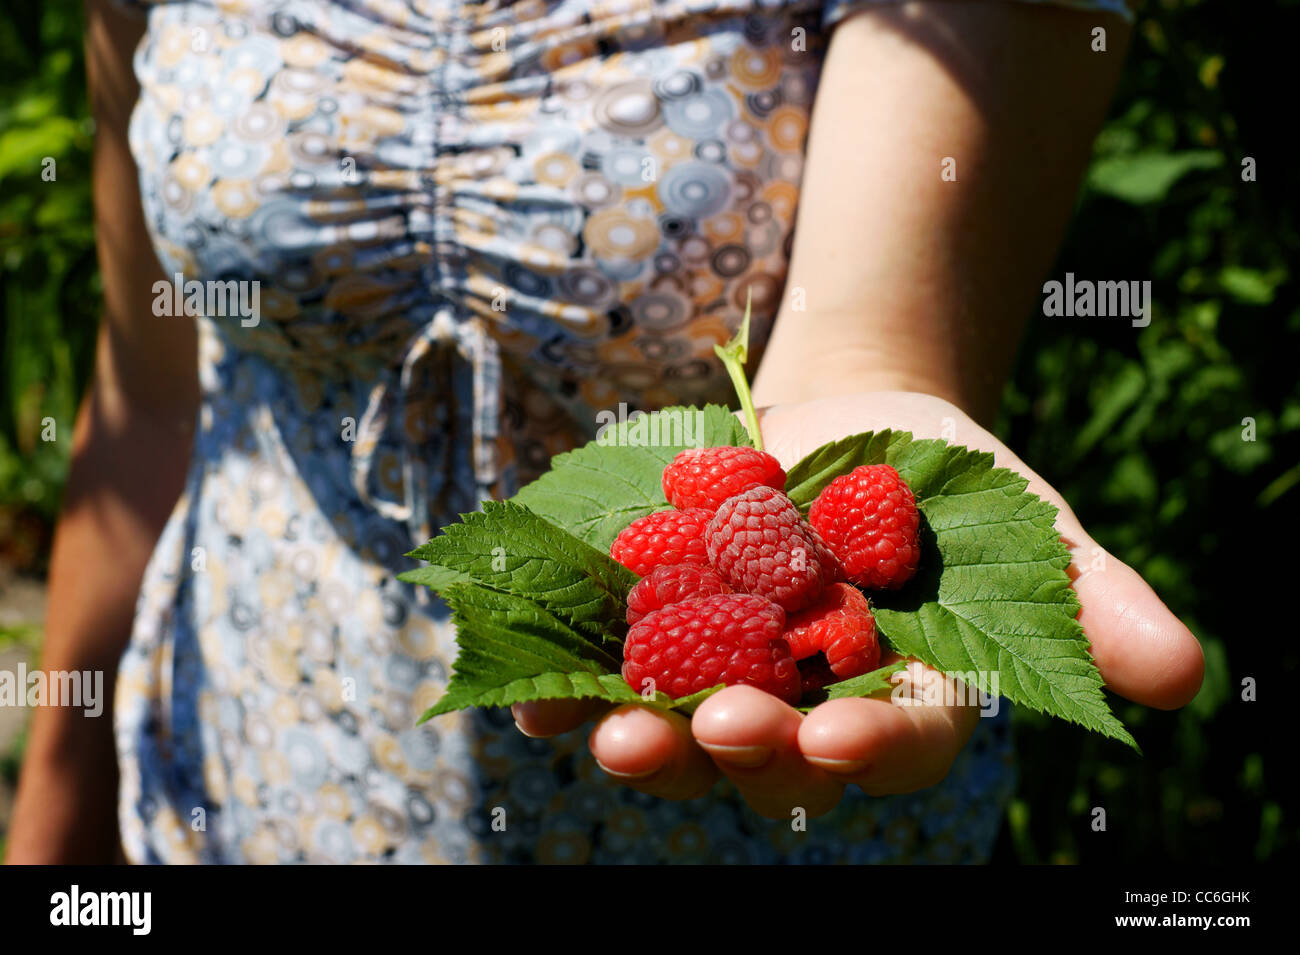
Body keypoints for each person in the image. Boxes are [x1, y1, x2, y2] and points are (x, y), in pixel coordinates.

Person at [8, 0, 1202, 864]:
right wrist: (54, 816)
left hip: (759, 834)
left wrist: (855, 404)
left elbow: (871, 331)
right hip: (247, 781)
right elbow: (151, 395)